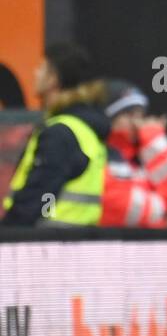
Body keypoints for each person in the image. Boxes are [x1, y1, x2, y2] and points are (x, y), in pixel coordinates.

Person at [3, 42, 108, 226]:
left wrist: (10, 232)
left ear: (53, 79)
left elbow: (42, 195)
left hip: (48, 246)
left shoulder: (60, 133)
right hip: (75, 243)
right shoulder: (83, 129)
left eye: (41, 68)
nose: (35, 73)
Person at [100, 80, 167, 228]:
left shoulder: (147, 153)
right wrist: (166, 206)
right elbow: (121, 208)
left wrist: (154, 137)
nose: (137, 123)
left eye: (140, 115)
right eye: (129, 115)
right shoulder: (101, 154)